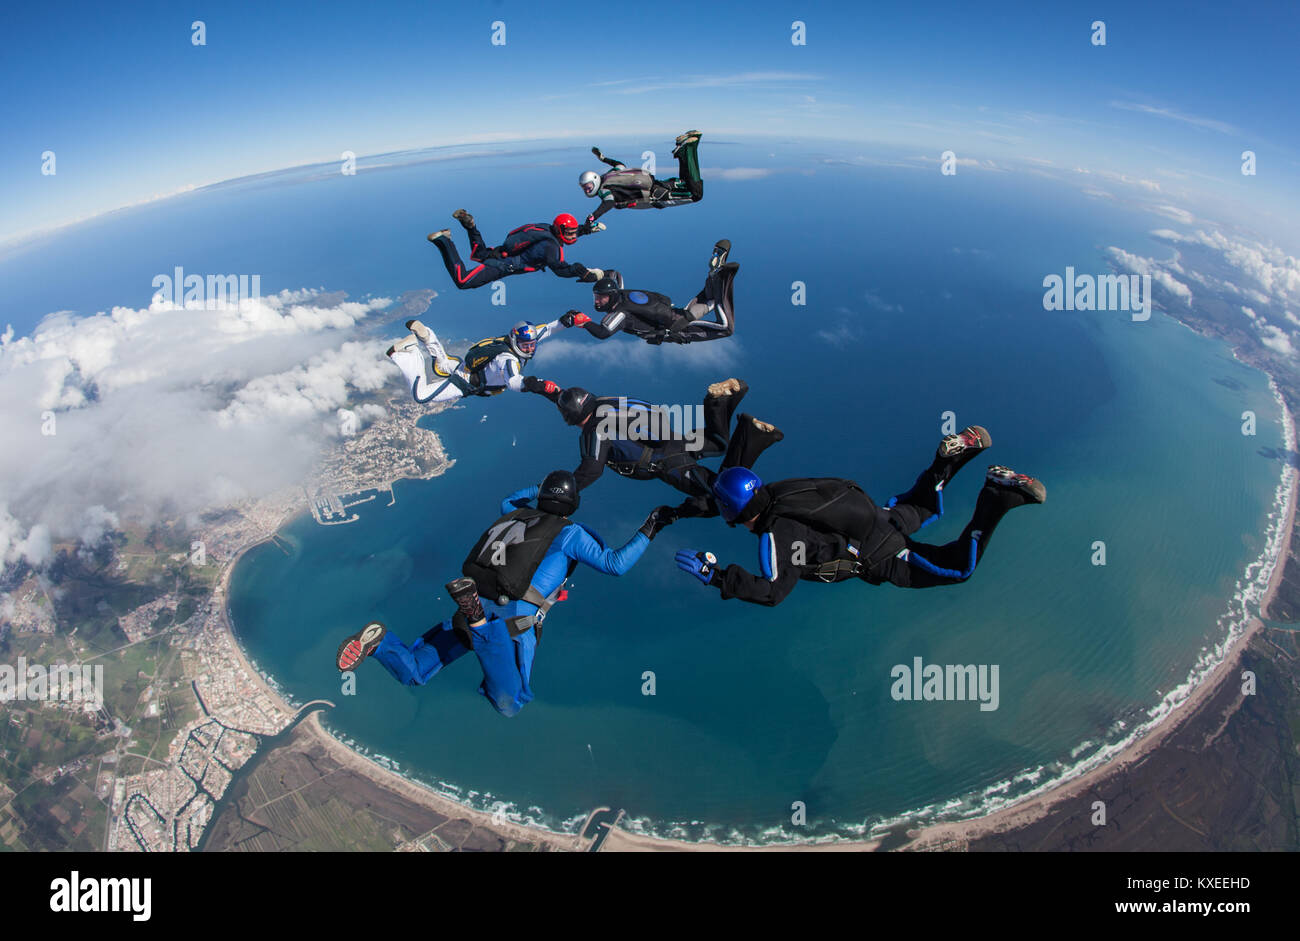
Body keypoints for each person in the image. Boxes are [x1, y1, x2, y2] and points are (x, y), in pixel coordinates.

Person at [335, 470, 676, 717]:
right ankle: (480, 624)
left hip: (477, 599)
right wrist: (651, 528)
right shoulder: (570, 534)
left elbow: (508, 499)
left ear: (542, 495)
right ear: (572, 504)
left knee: (415, 672)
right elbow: (614, 563)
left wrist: (540, 485)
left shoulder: (516, 514)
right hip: (509, 620)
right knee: (510, 700)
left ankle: (380, 645)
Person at [674, 426, 1048, 605]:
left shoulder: (776, 536)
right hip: (880, 517)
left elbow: (772, 591)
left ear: (731, 515)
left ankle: (1000, 493)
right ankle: (947, 460)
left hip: (881, 555)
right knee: (924, 505)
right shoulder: (781, 491)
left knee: (959, 567)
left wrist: (717, 577)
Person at [522, 377, 783, 518]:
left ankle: (751, 434)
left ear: (575, 420)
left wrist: (557, 495)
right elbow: (563, 397)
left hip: (669, 464)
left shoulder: (595, 428)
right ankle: (720, 404)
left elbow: (591, 469)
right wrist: (538, 388)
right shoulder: (600, 402)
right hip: (674, 438)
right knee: (719, 444)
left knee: (719, 498)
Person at [576, 240, 737, 345]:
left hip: (680, 328)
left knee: (726, 328)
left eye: (600, 298)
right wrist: (593, 275)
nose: (596, 301)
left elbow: (603, 332)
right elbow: (615, 275)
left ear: (611, 297)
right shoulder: (620, 291)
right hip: (678, 313)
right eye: (595, 296)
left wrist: (583, 322)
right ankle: (715, 271)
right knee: (710, 300)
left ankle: (722, 275)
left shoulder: (620, 314)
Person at [387, 315, 575, 404]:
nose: (530, 348)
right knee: (420, 396)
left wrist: (570, 320)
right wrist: (536, 384)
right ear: (516, 341)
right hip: (466, 382)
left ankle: (427, 335)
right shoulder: (507, 358)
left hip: (469, 370)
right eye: (526, 345)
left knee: (441, 366)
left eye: (532, 344)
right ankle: (410, 351)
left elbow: (548, 329)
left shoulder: (516, 340)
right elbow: (514, 381)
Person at [428, 211, 604, 290]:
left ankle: (471, 227)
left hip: (503, 252)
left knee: (477, 255)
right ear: (559, 231)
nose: (572, 237)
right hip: (503, 265)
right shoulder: (551, 247)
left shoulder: (547, 230)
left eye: (574, 233)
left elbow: (568, 231)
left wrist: (586, 229)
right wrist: (581, 272)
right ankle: (443, 240)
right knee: (463, 281)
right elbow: (560, 270)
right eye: (570, 233)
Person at [578, 130, 703, 229]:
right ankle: (691, 146)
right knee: (687, 183)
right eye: (584, 188)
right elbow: (619, 164)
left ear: (594, 181)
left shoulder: (604, 190)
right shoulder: (610, 175)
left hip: (657, 197)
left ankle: (687, 150)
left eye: (588, 186)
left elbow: (608, 203)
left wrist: (593, 217)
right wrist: (603, 158)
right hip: (657, 184)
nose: (587, 190)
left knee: (694, 195)